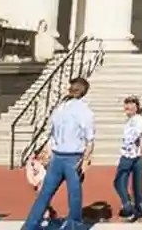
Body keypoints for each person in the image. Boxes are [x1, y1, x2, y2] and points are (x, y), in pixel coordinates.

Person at [21, 77, 95, 230]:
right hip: (73, 156)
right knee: (74, 194)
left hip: (57, 155)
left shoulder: (59, 108)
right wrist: (87, 159)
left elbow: (52, 133)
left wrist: (49, 152)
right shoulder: (84, 111)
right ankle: (74, 225)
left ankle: (30, 225)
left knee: (45, 193)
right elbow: (89, 139)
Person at [114, 96, 142, 222]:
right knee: (136, 184)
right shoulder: (134, 120)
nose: (127, 108)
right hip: (137, 155)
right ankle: (138, 208)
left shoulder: (137, 120)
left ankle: (128, 206)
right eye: (126, 105)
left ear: (137, 107)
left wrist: (126, 150)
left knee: (119, 181)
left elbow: (134, 136)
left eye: (130, 105)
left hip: (130, 155)